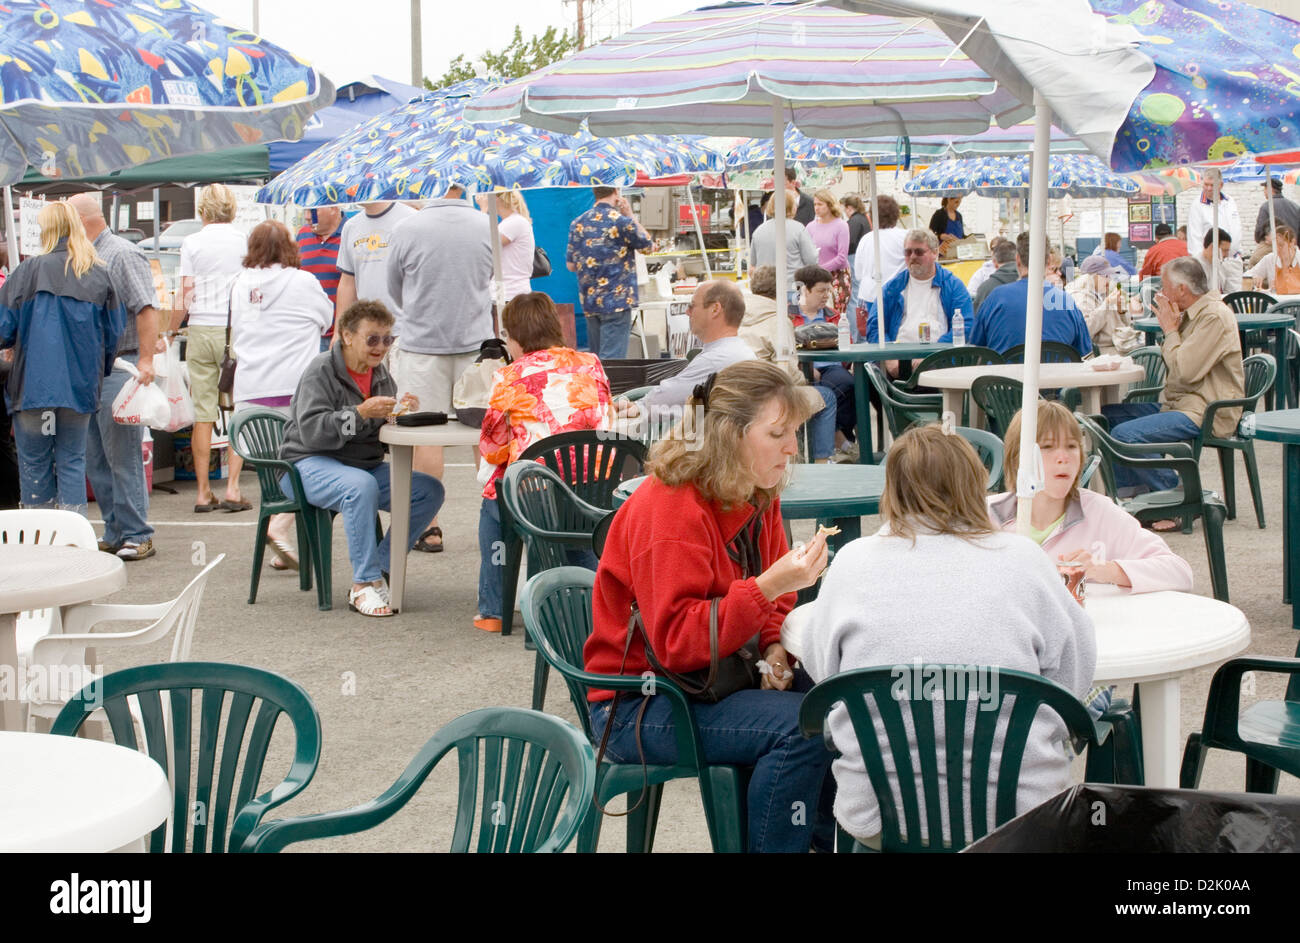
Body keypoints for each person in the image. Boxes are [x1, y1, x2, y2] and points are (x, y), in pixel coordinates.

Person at [801, 424, 1095, 848]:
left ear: (893, 490)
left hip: (882, 815)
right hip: (1020, 816)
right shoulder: (1024, 560)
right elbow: (1075, 677)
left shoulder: (852, 562)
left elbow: (822, 669)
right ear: (974, 484)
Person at [586, 360, 833, 853]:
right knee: (801, 730)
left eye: (795, 432)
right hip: (641, 703)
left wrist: (774, 652)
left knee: (839, 697)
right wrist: (764, 588)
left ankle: (816, 842)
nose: (793, 448)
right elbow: (677, 644)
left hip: (719, 676)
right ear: (727, 435)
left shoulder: (757, 489)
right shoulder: (671, 508)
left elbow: (775, 604)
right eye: (778, 433)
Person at [278, 300, 444, 617]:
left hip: (357, 464)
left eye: (387, 339)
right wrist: (358, 413)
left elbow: (372, 436)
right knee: (360, 486)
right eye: (372, 339)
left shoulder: (381, 375)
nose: (380, 347)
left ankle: (382, 569)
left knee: (428, 491)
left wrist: (395, 416)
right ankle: (362, 585)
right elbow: (313, 433)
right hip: (304, 462)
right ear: (347, 336)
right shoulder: (321, 370)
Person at [475, 292, 613, 633]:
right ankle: (600, 605)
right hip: (590, 493)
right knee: (571, 518)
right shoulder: (591, 364)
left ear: (516, 336)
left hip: (535, 498)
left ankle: (493, 610)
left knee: (493, 498)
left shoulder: (508, 377)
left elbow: (492, 448)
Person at [387, 183, 494, 554]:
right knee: (488, 435)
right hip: (478, 346)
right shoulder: (487, 224)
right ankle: (493, 514)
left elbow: (395, 289)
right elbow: (492, 280)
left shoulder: (406, 228)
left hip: (421, 346)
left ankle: (427, 524)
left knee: (425, 436)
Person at [0, 202, 125, 516]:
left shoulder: (26, 272)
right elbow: (114, 335)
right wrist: (99, 371)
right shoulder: (98, 273)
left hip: (33, 389)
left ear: (46, 229)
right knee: (72, 462)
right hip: (78, 389)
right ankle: (73, 544)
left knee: (35, 466)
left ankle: (40, 543)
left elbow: (3, 328)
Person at [991, 401, 1194, 592]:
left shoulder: (1099, 512)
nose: (1063, 458)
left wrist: (1106, 570)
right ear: (1018, 457)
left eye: (1071, 446)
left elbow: (1180, 572)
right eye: (1047, 447)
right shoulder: (984, 515)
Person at [230, 220, 335, 572]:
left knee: (274, 471)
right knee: (309, 463)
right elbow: (326, 319)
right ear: (290, 246)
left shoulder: (238, 282)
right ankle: (280, 528)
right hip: (294, 389)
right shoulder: (303, 281)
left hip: (250, 393)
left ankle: (281, 538)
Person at [1101, 256, 1244, 498]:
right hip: (1180, 404)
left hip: (1205, 410)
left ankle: (1179, 496)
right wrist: (1173, 330)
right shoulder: (1192, 313)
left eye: (1165, 286)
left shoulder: (1213, 316)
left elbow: (1185, 371)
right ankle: (1135, 492)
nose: (1161, 292)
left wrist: (1169, 330)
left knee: (1126, 435)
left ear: (1182, 289)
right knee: (1105, 417)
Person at [69, 193, 161, 561]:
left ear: (80, 221)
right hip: (97, 368)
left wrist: (147, 360)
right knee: (97, 456)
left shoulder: (121, 253)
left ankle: (137, 534)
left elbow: (146, 308)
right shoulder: (93, 253)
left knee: (120, 455)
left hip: (119, 366)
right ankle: (116, 530)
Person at [178, 183, 249, 513]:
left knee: (203, 413)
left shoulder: (191, 242)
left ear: (201, 210)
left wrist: (171, 326)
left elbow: (186, 294)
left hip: (201, 327)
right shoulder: (244, 240)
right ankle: (233, 487)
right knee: (237, 409)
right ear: (232, 208)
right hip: (235, 329)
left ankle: (203, 491)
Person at [738, 266, 840, 463]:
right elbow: (788, 372)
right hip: (769, 394)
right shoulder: (778, 320)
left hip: (744, 389)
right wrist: (806, 379)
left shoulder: (741, 314)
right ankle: (821, 463)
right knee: (825, 396)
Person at [619, 280, 755, 426]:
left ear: (715, 309)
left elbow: (665, 398)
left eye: (692, 306)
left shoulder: (717, 359)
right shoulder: (736, 350)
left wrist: (639, 406)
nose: (687, 312)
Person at [866, 229, 973, 378]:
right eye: (908, 252)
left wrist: (933, 354)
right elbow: (874, 326)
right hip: (898, 356)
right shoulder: (892, 288)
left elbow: (966, 325)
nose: (912, 257)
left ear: (935, 253)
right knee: (865, 378)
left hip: (939, 359)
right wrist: (888, 357)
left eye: (919, 252)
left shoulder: (953, 286)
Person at [969, 231, 1092, 357]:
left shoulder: (995, 299)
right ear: (1049, 261)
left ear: (1017, 260)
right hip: (1056, 375)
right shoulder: (1067, 303)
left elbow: (975, 348)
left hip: (1005, 375)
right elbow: (1085, 354)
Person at [566, 186, 653, 362]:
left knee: (597, 360)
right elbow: (648, 246)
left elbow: (571, 265)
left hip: (590, 301)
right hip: (617, 300)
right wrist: (630, 214)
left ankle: (598, 389)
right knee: (612, 362)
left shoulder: (578, 223)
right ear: (616, 191)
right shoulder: (621, 222)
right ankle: (610, 390)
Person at [334, 200, 417, 340]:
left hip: (406, 332)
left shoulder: (412, 219)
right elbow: (348, 282)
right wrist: (339, 331)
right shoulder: (351, 226)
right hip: (367, 334)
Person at [852, 194, 908, 339]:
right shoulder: (905, 237)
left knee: (873, 338)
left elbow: (858, 273)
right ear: (896, 214)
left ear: (871, 216)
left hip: (870, 295)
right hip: (899, 297)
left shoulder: (866, 239)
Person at [296, 205, 343, 349]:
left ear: (333, 208)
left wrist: (339, 331)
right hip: (307, 334)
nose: (307, 216)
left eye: (313, 211)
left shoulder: (351, 233)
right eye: (305, 210)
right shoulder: (303, 234)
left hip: (341, 335)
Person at [1067, 254, 1132, 356]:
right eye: (1105, 276)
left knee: (1149, 349)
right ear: (1091, 277)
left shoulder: (1103, 293)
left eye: (1109, 276)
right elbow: (1087, 330)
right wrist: (1106, 304)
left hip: (1119, 343)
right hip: (1102, 351)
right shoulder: (1080, 296)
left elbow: (1128, 324)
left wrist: (1121, 310)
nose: (1109, 279)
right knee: (1147, 357)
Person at [749, 192, 817, 281]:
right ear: (793, 207)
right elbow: (811, 260)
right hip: (792, 284)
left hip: (766, 285)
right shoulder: (798, 228)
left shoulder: (759, 231)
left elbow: (753, 263)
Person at [805, 189, 851, 317]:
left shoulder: (841, 226)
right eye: (815, 204)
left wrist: (821, 269)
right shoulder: (810, 227)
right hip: (816, 276)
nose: (816, 208)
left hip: (837, 276)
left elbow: (842, 257)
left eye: (820, 204)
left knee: (836, 314)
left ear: (829, 205)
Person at [1187, 167, 1241, 258]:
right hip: (1210, 260)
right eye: (1206, 184)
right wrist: (1201, 262)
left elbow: (1237, 228)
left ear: (1221, 185)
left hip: (1233, 258)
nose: (1208, 188)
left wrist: (1238, 252)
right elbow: (1194, 237)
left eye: (1212, 185)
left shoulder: (1230, 201)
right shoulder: (1197, 205)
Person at [494, 190, 535, 302]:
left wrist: (483, 210)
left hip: (510, 293)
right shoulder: (511, 222)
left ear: (497, 199)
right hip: (506, 291)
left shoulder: (513, 223)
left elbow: (486, 245)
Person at [1244, 224, 1300, 294]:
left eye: (1281, 245)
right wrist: (1253, 279)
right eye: (1275, 245)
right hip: (1277, 303)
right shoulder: (1269, 259)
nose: (1277, 249)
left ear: (1292, 242)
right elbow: (1246, 276)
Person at [971, 238, 1019, 314]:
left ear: (995, 262)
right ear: (1018, 259)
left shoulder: (985, 288)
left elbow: (977, 318)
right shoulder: (1033, 284)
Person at [1255, 177, 1300, 246]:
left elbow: (1258, 235)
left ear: (1270, 189)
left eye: (1265, 189)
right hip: (1294, 248)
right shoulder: (1295, 206)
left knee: (1256, 257)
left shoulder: (1266, 207)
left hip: (1274, 248)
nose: (1264, 192)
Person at [1197, 227, 1243, 295]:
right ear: (1212, 247)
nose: (1226, 255)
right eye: (1224, 250)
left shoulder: (1219, 264)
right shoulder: (1195, 267)